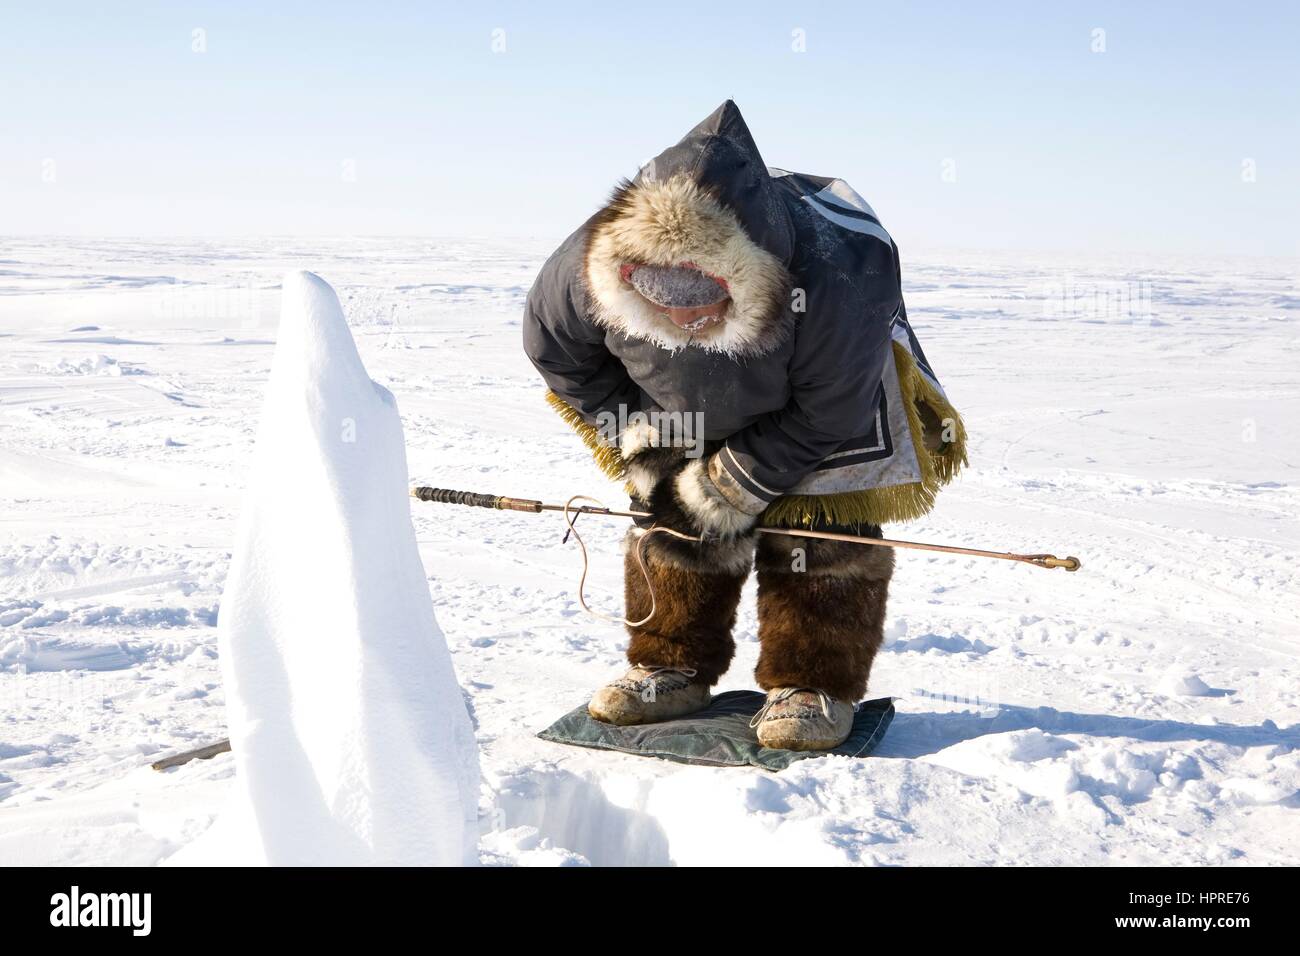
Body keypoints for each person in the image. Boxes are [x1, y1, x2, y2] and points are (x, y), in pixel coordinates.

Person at [523, 101, 966, 751]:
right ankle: (669, 661)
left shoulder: (837, 277)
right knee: (672, 506)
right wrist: (644, 441)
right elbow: (562, 360)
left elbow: (829, 414)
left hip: (820, 397)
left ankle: (813, 680)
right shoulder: (577, 272)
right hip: (677, 401)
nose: (688, 330)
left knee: (820, 515)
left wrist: (732, 485)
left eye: (704, 312)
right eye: (663, 315)